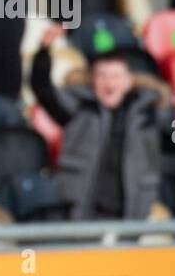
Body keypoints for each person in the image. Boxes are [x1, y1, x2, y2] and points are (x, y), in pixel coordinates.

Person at [32, 25, 161, 218]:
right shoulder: (78, 108)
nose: (109, 84)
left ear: (129, 81)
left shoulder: (148, 113)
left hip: (132, 212)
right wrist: (43, 53)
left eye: (116, 76)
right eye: (102, 76)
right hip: (83, 211)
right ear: (92, 80)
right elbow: (43, 90)